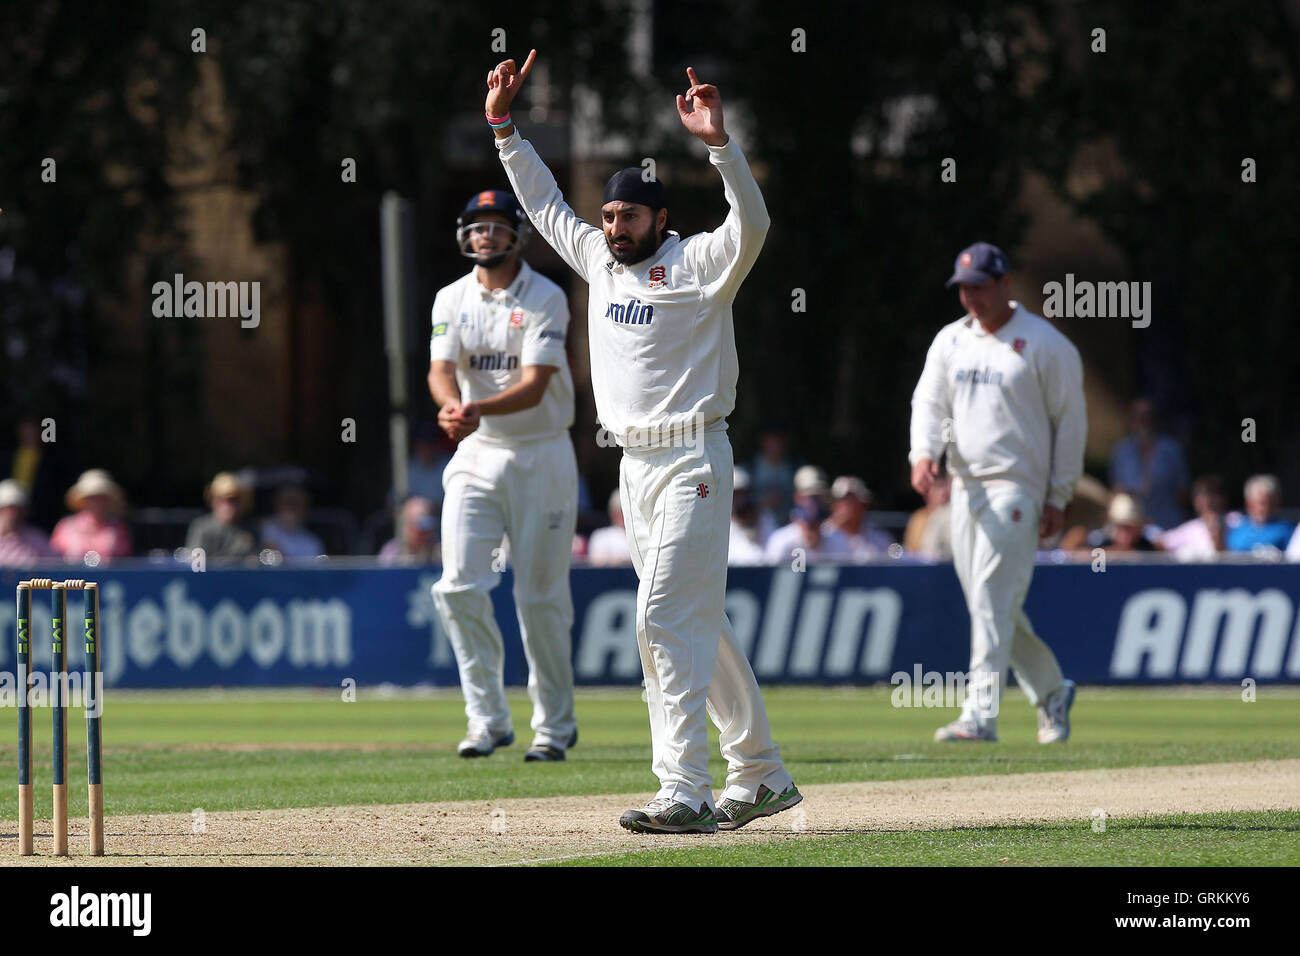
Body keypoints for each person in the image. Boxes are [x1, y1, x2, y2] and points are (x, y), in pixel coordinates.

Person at [487, 50, 799, 832]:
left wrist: (719, 144)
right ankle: (761, 774)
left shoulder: (700, 263)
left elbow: (753, 222)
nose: (611, 226)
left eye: (627, 216)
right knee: (702, 623)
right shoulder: (598, 261)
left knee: (661, 620)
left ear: (660, 218)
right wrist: (503, 128)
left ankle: (685, 790)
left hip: (695, 454)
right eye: (610, 216)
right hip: (637, 468)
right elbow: (547, 205)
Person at [909, 241, 1086, 744]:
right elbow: (928, 401)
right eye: (963, 289)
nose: (971, 298)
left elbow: (1070, 425)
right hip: (964, 488)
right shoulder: (950, 341)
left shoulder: (1045, 344)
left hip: (1018, 486)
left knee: (990, 595)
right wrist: (922, 455)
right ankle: (1052, 691)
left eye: (980, 287)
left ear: (1005, 283)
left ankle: (979, 715)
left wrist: (1058, 495)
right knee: (993, 603)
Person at [427, 186, 579, 763]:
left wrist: (473, 409)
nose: (485, 235)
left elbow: (537, 384)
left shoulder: (546, 296)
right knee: (458, 586)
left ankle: (554, 726)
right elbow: (441, 370)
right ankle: (487, 720)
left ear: (516, 234)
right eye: (476, 226)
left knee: (539, 596)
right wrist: (449, 406)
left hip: (541, 451)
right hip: (477, 451)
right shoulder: (450, 298)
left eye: (495, 226)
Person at [1108, 398, 1189, 531]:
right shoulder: (1121, 452)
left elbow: (1183, 492)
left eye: (1147, 417)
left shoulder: (1172, 450)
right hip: (1132, 530)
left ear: (1155, 420)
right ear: (1131, 421)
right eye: (1138, 417)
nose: (1143, 422)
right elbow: (1116, 490)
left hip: (1168, 526)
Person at [763, 465, 849, 564]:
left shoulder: (838, 540)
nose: (815, 503)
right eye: (810, 496)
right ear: (797, 498)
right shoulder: (781, 541)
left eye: (818, 496)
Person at [50, 469, 132, 563]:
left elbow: (123, 562)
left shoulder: (118, 528)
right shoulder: (65, 527)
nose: (96, 502)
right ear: (82, 500)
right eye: (91, 498)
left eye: (101, 498)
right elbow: (54, 560)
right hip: (72, 577)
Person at [185, 472, 257, 562]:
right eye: (223, 499)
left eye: (234, 499)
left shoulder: (249, 529)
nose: (229, 505)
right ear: (214, 501)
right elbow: (195, 563)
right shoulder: (201, 527)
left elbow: (254, 562)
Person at [825, 475, 893, 559]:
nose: (847, 505)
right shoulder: (820, 535)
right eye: (843, 499)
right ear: (833, 504)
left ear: (863, 504)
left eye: (853, 499)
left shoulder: (880, 539)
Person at [1161, 475, 1227, 560]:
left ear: (1223, 498)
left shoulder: (1236, 522)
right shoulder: (1189, 529)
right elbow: (1162, 543)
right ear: (1195, 501)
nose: (1208, 501)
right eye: (1202, 496)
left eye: (1212, 494)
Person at [1226, 474, 1293, 554]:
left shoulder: (1287, 530)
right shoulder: (1234, 530)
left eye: (1272, 503)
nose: (1267, 508)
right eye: (1262, 503)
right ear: (1249, 503)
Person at [0, 479, 56, 566]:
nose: (13, 514)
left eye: (18, 509)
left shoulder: (39, 539)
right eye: (9, 508)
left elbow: (54, 567)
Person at [260, 485, 325, 560]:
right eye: (288, 503)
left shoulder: (313, 542)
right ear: (277, 504)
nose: (292, 509)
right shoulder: (264, 529)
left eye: (297, 504)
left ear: (305, 509)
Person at [378, 496, 440, 565]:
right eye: (420, 526)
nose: (425, 533)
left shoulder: (439, 548)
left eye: (427, 526)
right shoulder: (391, 551)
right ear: (408, 525)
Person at [727, 467, 767, 566]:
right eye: (735, 494)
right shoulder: (719, 527)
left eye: (743, 493)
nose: (740, 499)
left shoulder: (765, 518)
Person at [587, 490, 633, 566]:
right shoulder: (600, 536)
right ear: (613, 513)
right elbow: (596, 561)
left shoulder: (641, 534)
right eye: (621, 511)